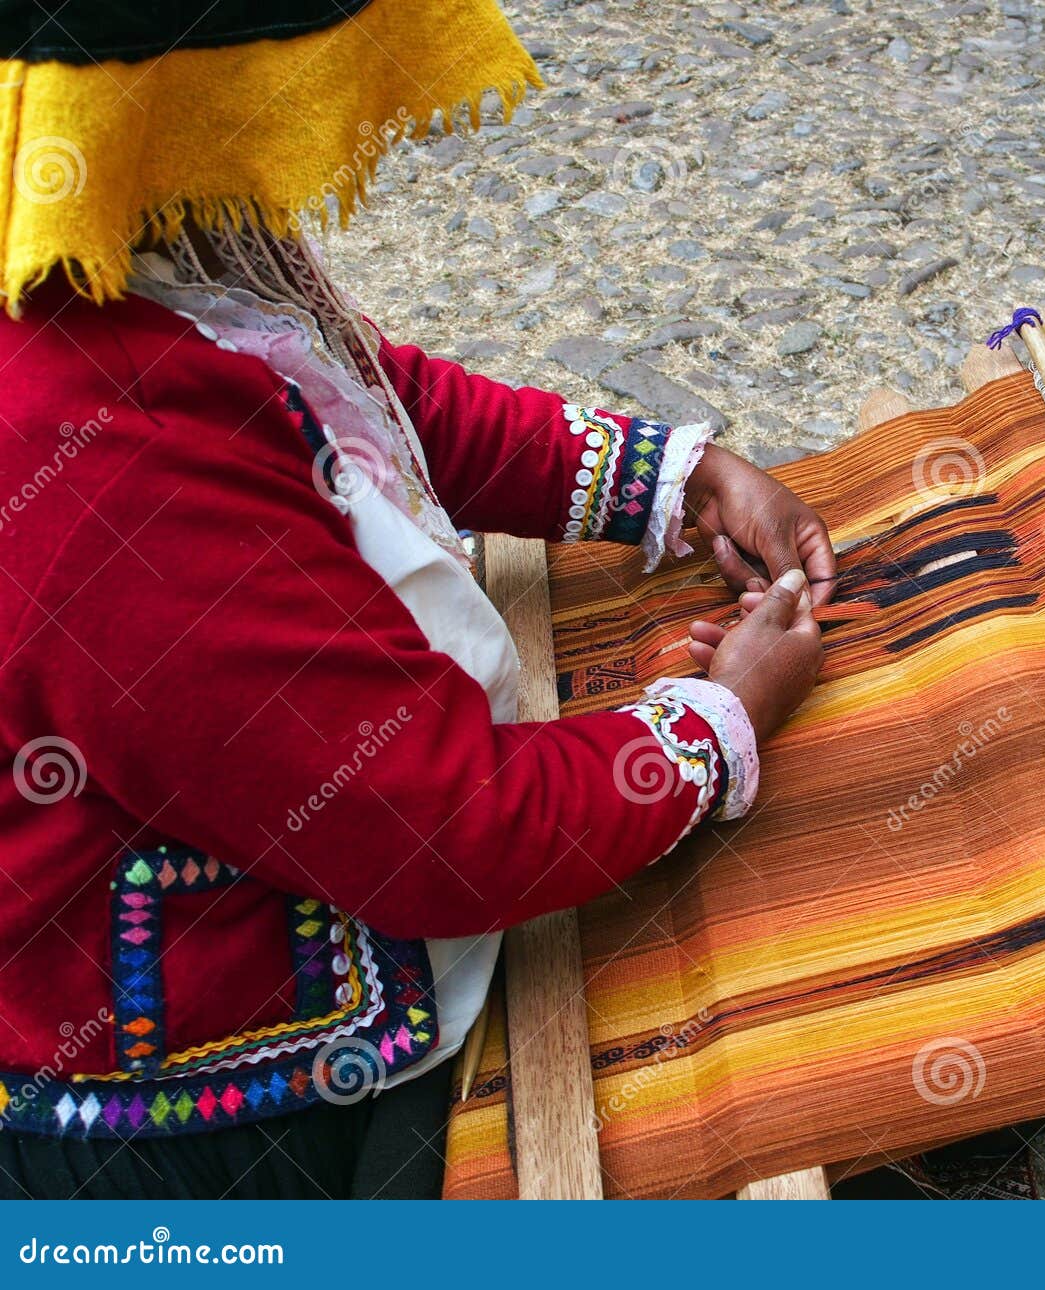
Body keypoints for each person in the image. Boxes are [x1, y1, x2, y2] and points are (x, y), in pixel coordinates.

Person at [0, 0, 831, 1198]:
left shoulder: (126, 238)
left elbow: (357, 397)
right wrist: (710, 725)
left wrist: (666, 477)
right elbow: (433, 828)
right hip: (199, 1131)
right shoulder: (85, 444)